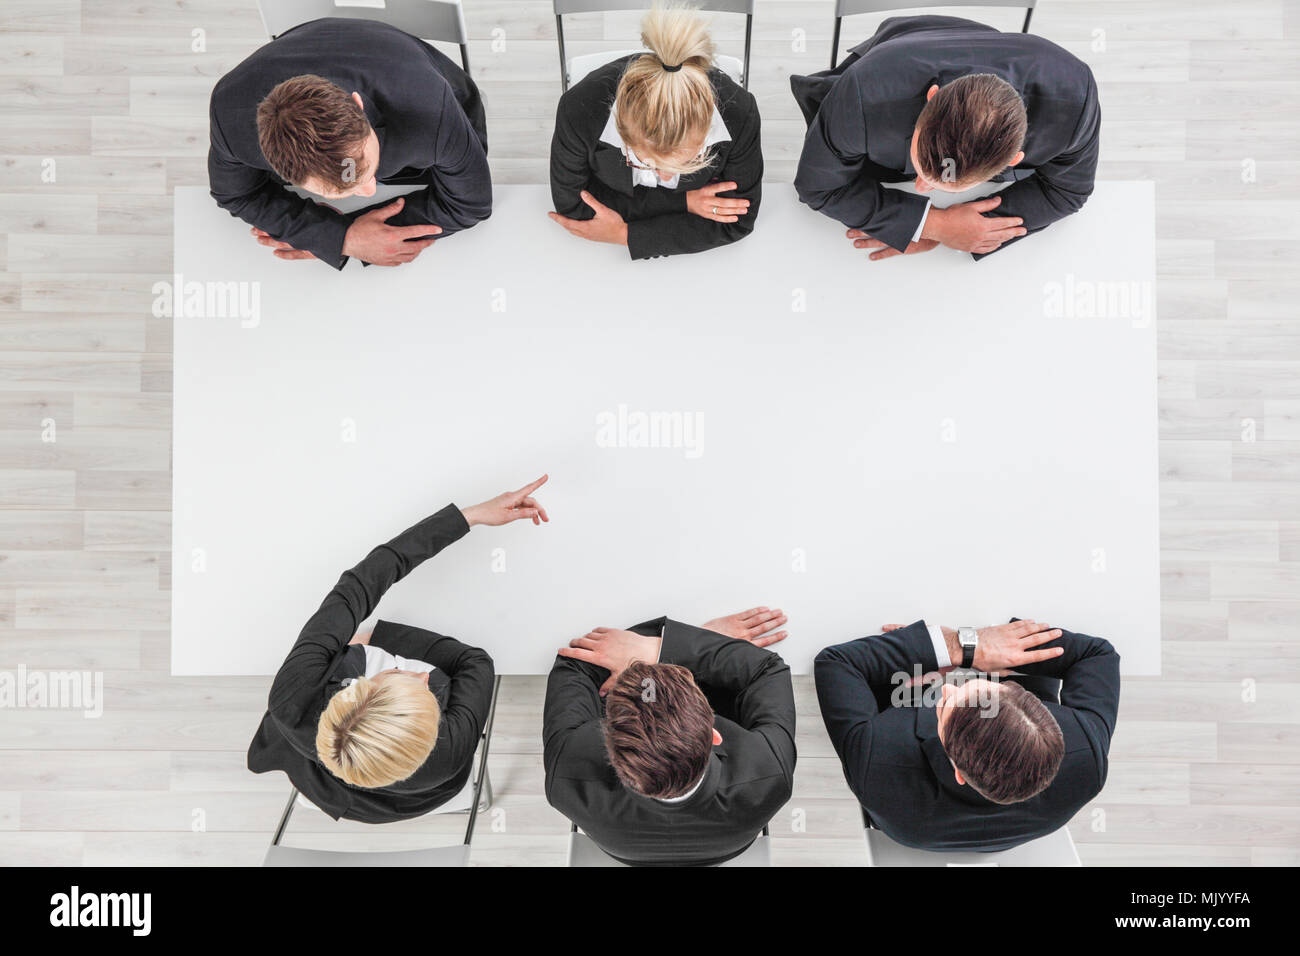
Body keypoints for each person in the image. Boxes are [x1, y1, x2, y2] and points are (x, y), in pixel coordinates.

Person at [246, 476, 549, 823]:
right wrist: (378, 638)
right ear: (430, 738)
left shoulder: (291, 697)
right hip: (407, 797)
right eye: (426, 695)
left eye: (396, 673)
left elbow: (358, 584)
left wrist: (468, 516)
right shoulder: (445, 752)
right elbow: (474, 662)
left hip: (328, 785)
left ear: (358, 686)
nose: (423, 675)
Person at [790, 15, 1100, 261]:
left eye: (942, 185)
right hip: (900, 56)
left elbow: (1068, 191)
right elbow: (817, 185)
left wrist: (967, 230)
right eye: (923, 170)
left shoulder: (1076, 97)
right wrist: (932, 225)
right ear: (931, 98)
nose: (921, 188)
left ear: (1012, 159)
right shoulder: (862, 92)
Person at [208, 17, 491, 270]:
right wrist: (343, 238)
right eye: (341, 191)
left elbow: (471, 204)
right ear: (272, 163)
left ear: (358, 106)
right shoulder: (230, 116)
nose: (369, 191)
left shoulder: (432, 108)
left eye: (363, 174)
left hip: (411, 86)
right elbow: (236, 194)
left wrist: (345, 234)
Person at [814, 617, 1120, 852]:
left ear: (958, 773)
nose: (947, 688)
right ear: (1028, 699)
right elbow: (1099, 654)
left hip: (913, 824)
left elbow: (838, 663)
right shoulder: (1086, 759)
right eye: (985, 690)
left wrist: (959, 648)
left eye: (944, 704)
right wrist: (995, 649)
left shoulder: (878, 760)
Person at [544, 607, 794, 865]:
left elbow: (575, 662)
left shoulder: (566, 779)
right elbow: (767, 668)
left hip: (624, 849)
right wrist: (677, 643)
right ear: (715, 736)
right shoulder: (769, 774)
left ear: (609, 748)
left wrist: (667, 646)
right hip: (727, 847)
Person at [548, 3, 762, 259]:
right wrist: (685, 202)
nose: (666, 178)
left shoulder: (740, 114)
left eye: (690, 162)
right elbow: (574, 206)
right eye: (643, 161)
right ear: (623, 133)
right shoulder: (578, 111)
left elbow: (738, 221)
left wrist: (624, 234)